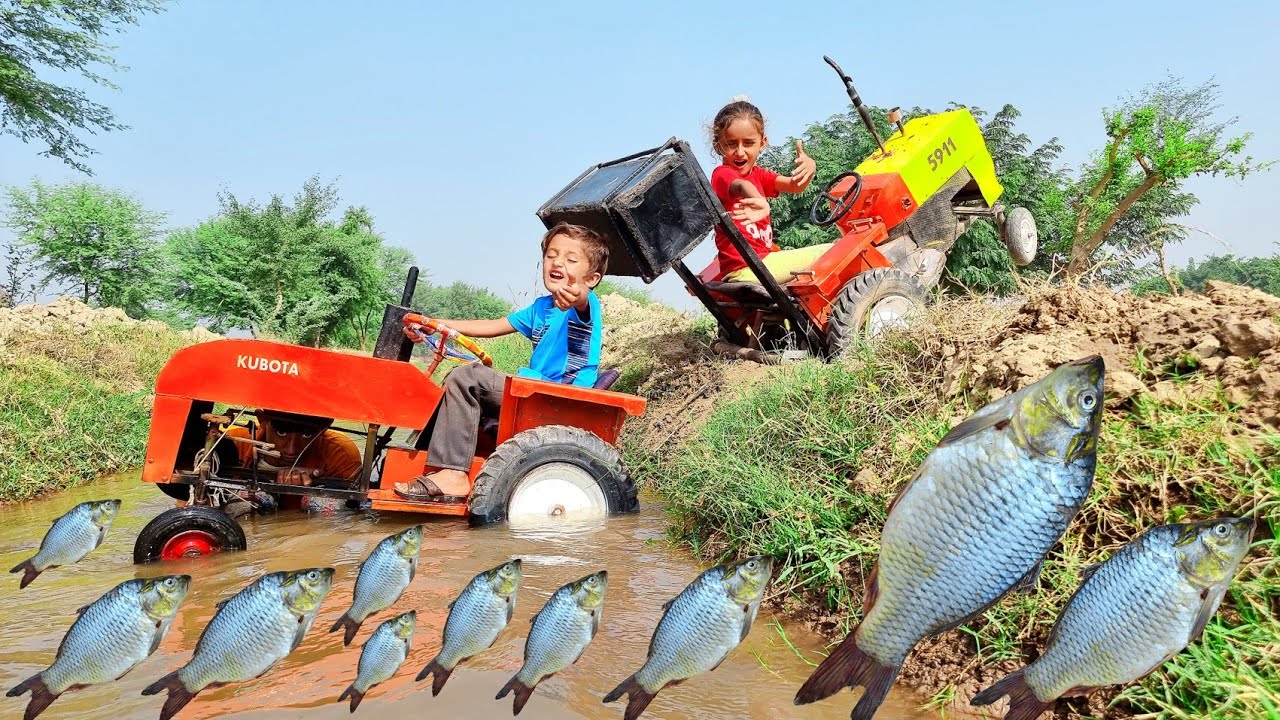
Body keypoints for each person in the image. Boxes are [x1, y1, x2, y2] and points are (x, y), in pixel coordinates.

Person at [394, 222, 608, 501]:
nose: (557, 262)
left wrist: (578, 297)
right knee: (453, 380)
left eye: (570, 259)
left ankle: (453, 475)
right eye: (551, 255)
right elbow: (492, 325)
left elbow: (582, 303)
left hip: (559, 396)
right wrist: (434, 324)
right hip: (534, 390)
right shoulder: (541, 308)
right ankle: (425, 461)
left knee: (467, 377)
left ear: (591, 278)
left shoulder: (585, 306)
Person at [709, 97, 827, 284]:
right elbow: (741, 186)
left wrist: (810, 167)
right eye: (731, 144)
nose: (740, 152)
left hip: (760, 263)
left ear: (762, 143)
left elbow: (795, 186)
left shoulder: (759, 174)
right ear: (718, 146)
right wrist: (758, 200)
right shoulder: (722, 174)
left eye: (748, 143)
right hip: (747, 268)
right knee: (832, 251)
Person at [223, 410, 362, 488]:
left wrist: (319, 485)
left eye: (307, 435)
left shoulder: (340, 454)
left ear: (324, 428)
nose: (291, 450)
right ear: (263, 420)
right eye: (282, 433)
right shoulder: (233, 442)